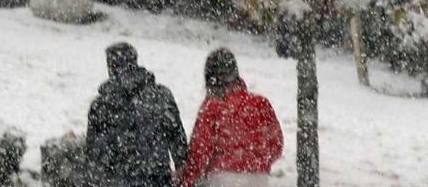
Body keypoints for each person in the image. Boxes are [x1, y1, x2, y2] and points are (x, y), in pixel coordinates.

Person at [85, 41, 189, 187]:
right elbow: (178, 139)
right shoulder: (162, 95)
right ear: (135, 62)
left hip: (118, 181)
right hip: (158, 179)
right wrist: (181, 167)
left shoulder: (101, 105)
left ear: (111, 68)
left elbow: (94, 155)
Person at [176, 48, 282, 187]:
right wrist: (258, 163)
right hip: (259, 178)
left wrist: (185, 181)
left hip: (222, 177)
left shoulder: (212, 107)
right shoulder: (260, 104)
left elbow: (200, 152)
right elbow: (276, 144)